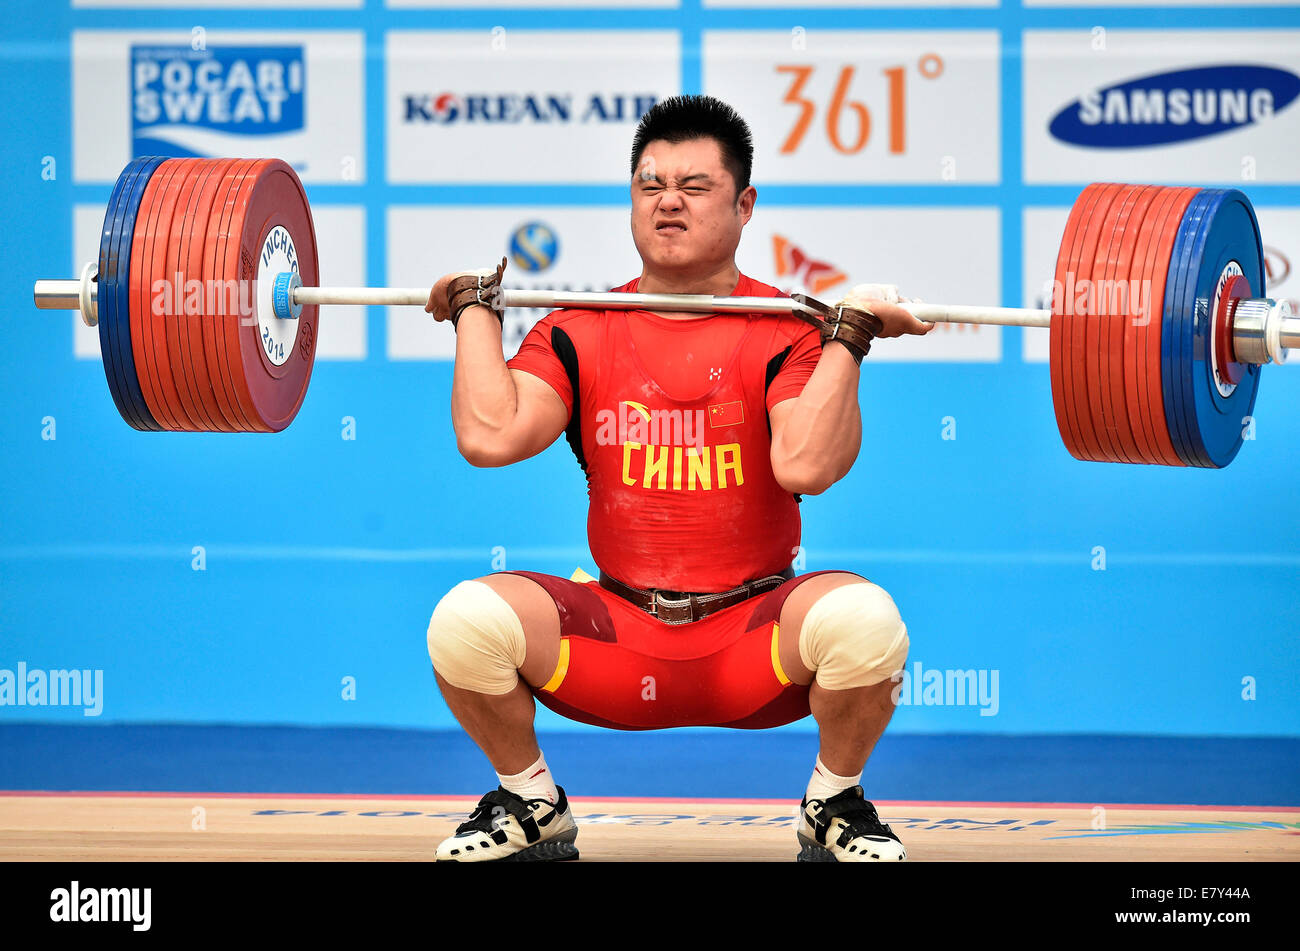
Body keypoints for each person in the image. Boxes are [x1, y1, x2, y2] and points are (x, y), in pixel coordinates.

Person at [423, 95, 933, 863]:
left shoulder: (790, 328)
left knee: (867, 621)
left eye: (693, 186)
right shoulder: (580, 325)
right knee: (464, 621)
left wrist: (848, 334)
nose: (667, 199)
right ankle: (530, 801)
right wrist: (472, 311)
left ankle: (833, 804)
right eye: (650, 182)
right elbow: (489, 437)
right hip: (616, 642)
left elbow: (806, 466)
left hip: (754, 648)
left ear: (744, 203)